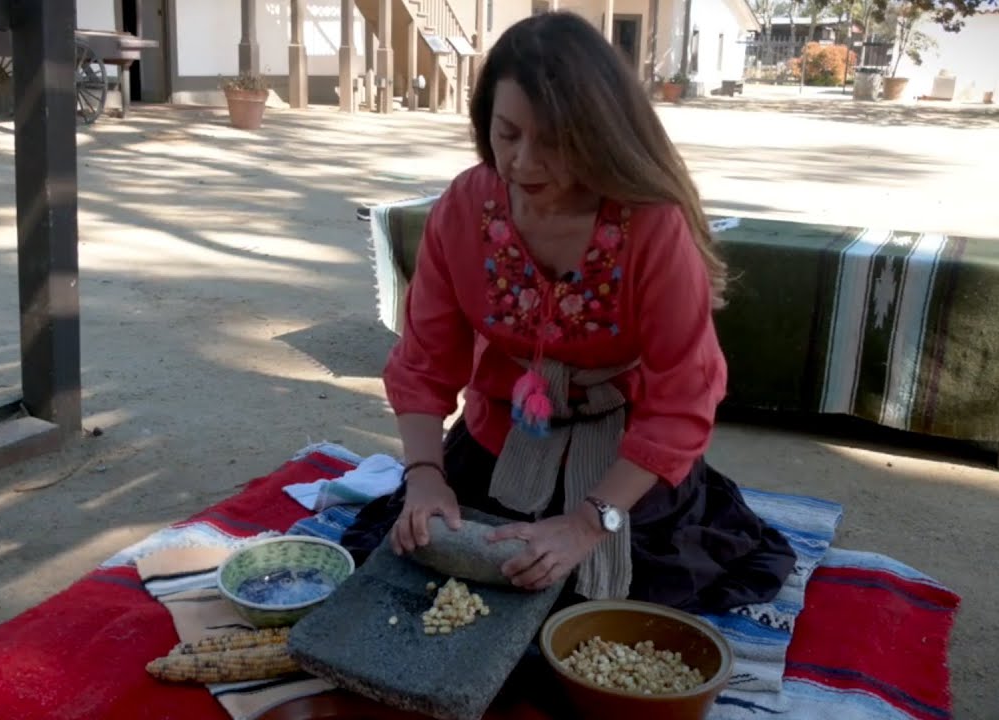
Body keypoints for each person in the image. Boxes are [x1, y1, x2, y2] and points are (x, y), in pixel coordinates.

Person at [341, 11, 796, 614]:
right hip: (498, 436)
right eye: (507, 134)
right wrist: (423, 475)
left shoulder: (653, 228)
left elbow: (683, 398)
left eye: (554, 142)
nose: (524, 164)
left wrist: (587, 524)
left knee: (611, 591)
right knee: (442, 562)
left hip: (622, 459)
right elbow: (425, 360)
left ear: (600, 135)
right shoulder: (465, 207)